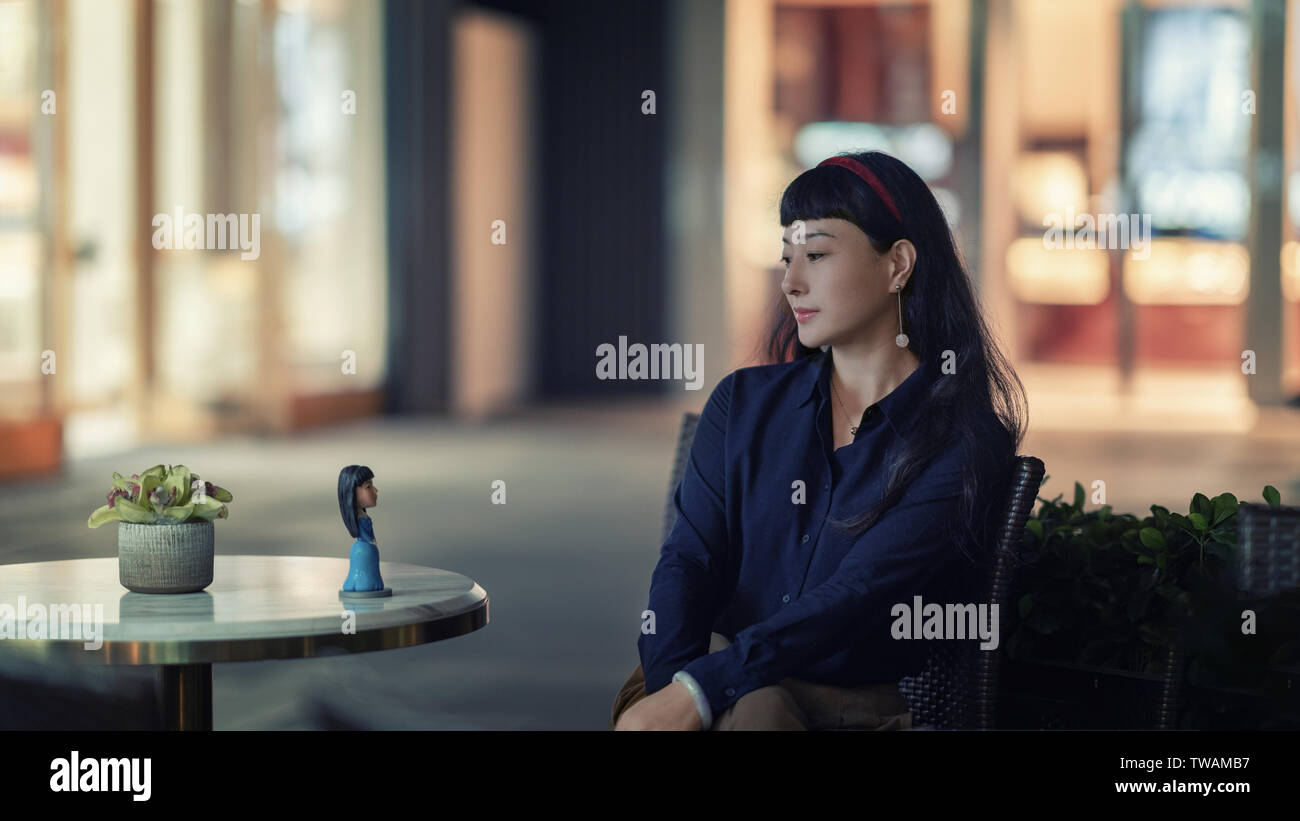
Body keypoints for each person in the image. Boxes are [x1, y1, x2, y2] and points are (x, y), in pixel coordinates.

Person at [612, 150, 1027, 731]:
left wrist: (699, 693)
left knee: (759, 708)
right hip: (703, 677)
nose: (791, 281)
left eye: (817, 255)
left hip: (845, 708)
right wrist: (673, 687)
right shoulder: (743, 403)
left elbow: (857, 595)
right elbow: (687, 562)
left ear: (898, 265)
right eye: (786, 258)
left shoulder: (961, 439)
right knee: (751, 704)